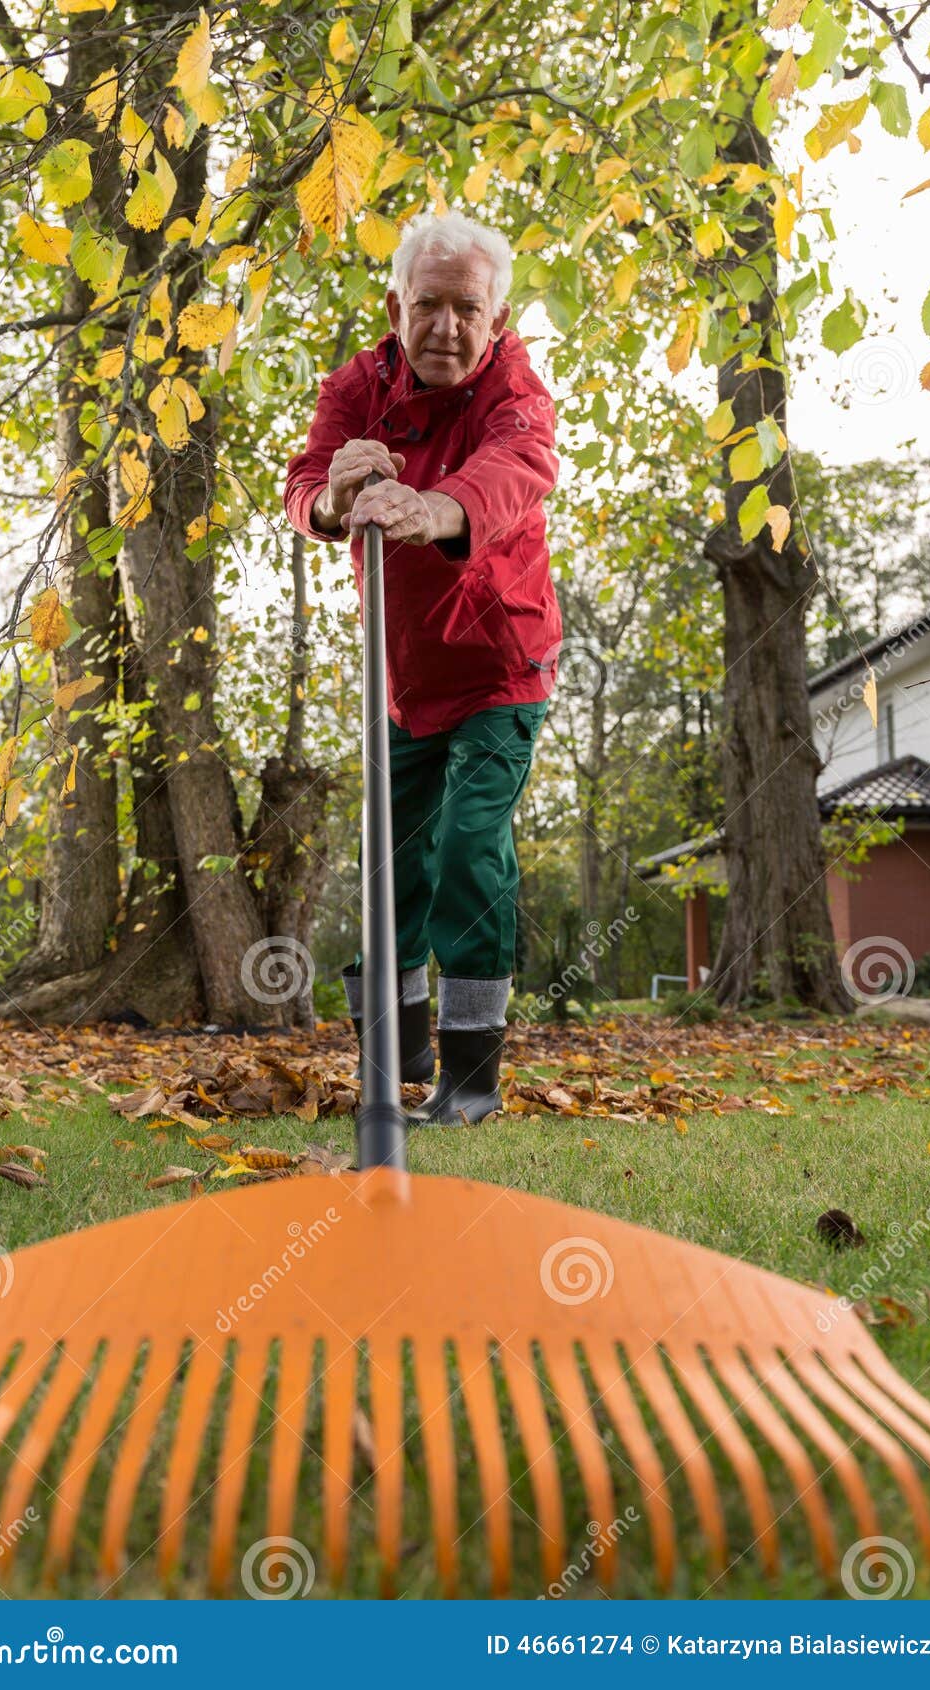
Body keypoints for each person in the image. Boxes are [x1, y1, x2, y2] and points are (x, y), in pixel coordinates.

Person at [283, 208, 562, 1123]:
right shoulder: (354, 388)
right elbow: (304, 483)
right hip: (401, 677)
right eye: (427, 305)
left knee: (470, 850)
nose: (445, 327)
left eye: (466, 310)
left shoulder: (515, 391)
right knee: (391, 863)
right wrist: (332, 499)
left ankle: (470, 1080)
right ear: (395, 305)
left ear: (497, 316)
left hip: (499, 668)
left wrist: (434, 510)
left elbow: (519, 468)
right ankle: (392, 1056)